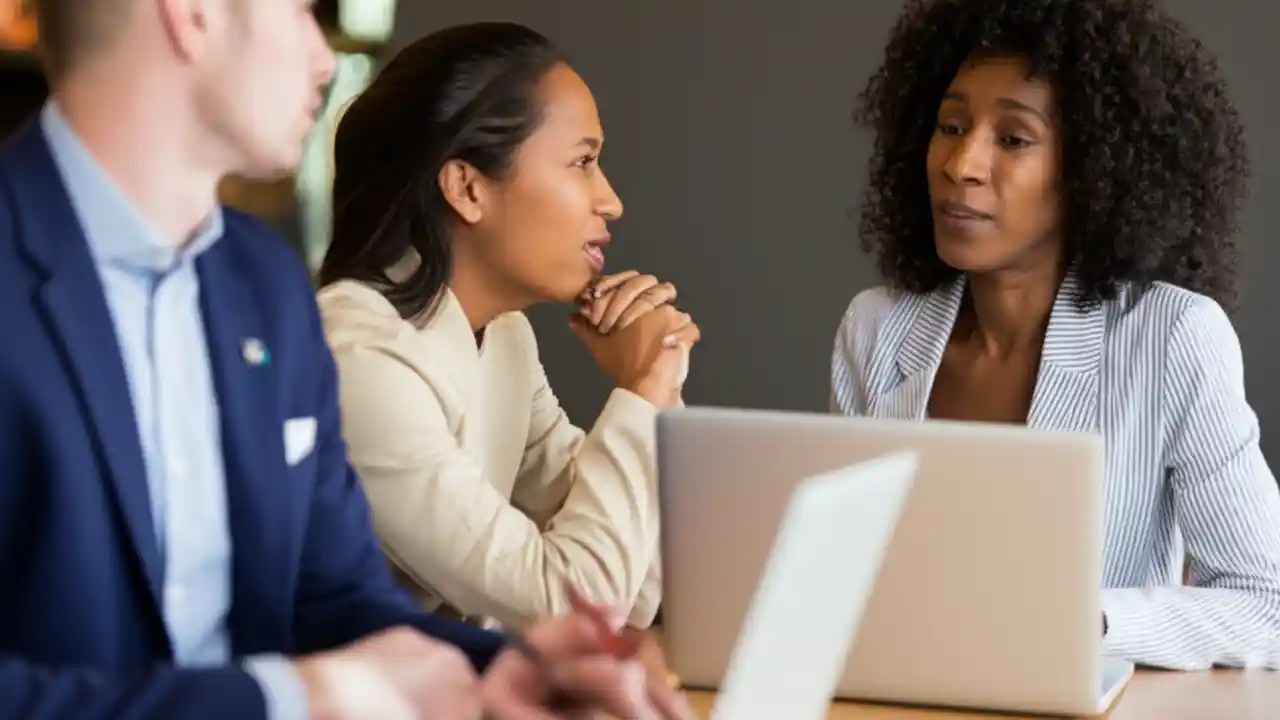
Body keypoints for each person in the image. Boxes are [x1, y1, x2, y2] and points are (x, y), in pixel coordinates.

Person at [0, 1, 690, 718]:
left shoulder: (262, 286)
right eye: (298, 10)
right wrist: (291, 697)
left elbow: (339, 600)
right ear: (193, 15)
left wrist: (512, 671)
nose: (324, 60)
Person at [831, 0, 1280, 671]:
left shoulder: (1174, 337)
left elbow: (1265, 606)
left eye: (1012, 139)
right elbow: (840, 578)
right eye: (950, 126)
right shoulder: (877, 329)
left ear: (1093, 170)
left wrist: (1078, 621)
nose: (961, 163)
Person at [315, 22, 698, 632]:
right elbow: (575, 603)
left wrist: (658, 387)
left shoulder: (504, 337)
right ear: (467, 187)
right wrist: (643, 391)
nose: (611, 200)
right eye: (583, 161)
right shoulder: (360, 359)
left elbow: (639, 584)